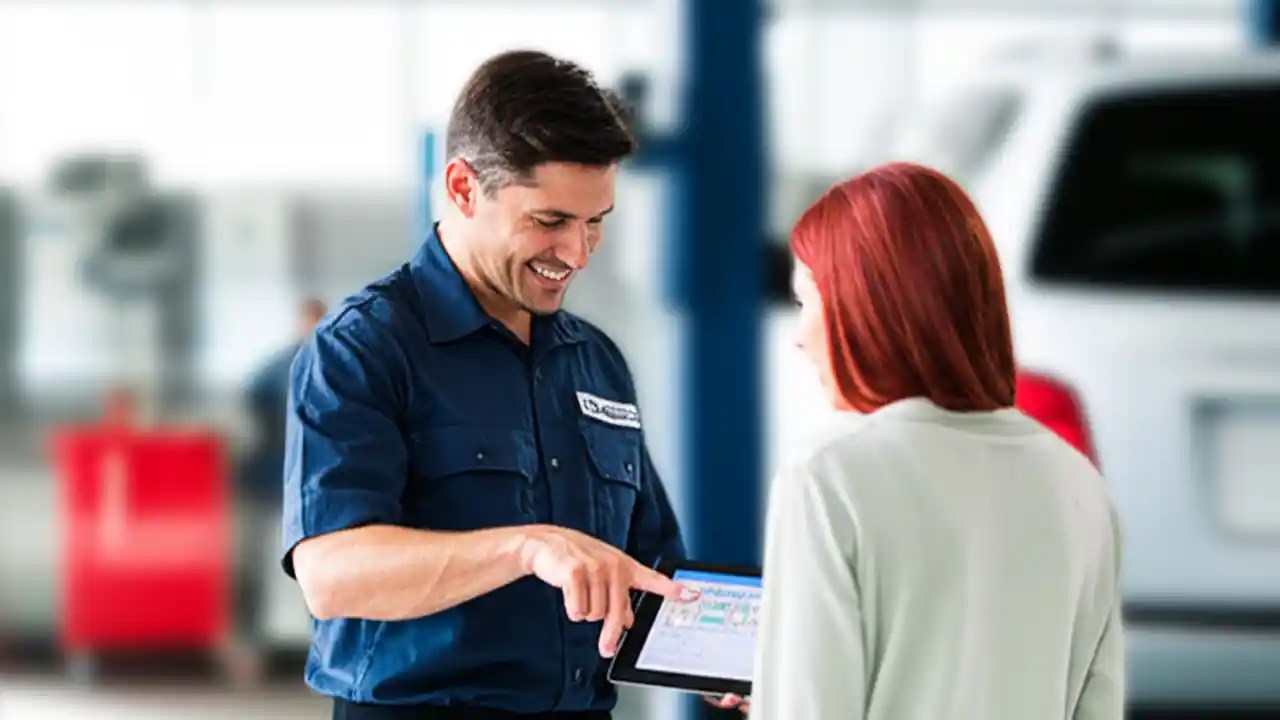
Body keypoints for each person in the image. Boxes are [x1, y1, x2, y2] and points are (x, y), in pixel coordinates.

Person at [282, 50, 694, 720]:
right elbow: (331, 576)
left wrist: (729, 652)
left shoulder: (595, 360)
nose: (579, 254)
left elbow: (648, 566)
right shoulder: (364, 348)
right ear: (464, 187)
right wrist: (527, 547)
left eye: (596, 222)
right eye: (550, 221)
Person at [743, 163, 1124, 719]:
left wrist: (779, 692)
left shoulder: (828, 478)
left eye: (807, 303)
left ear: (865, 309)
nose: (800, 338)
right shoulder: (1077, 484)